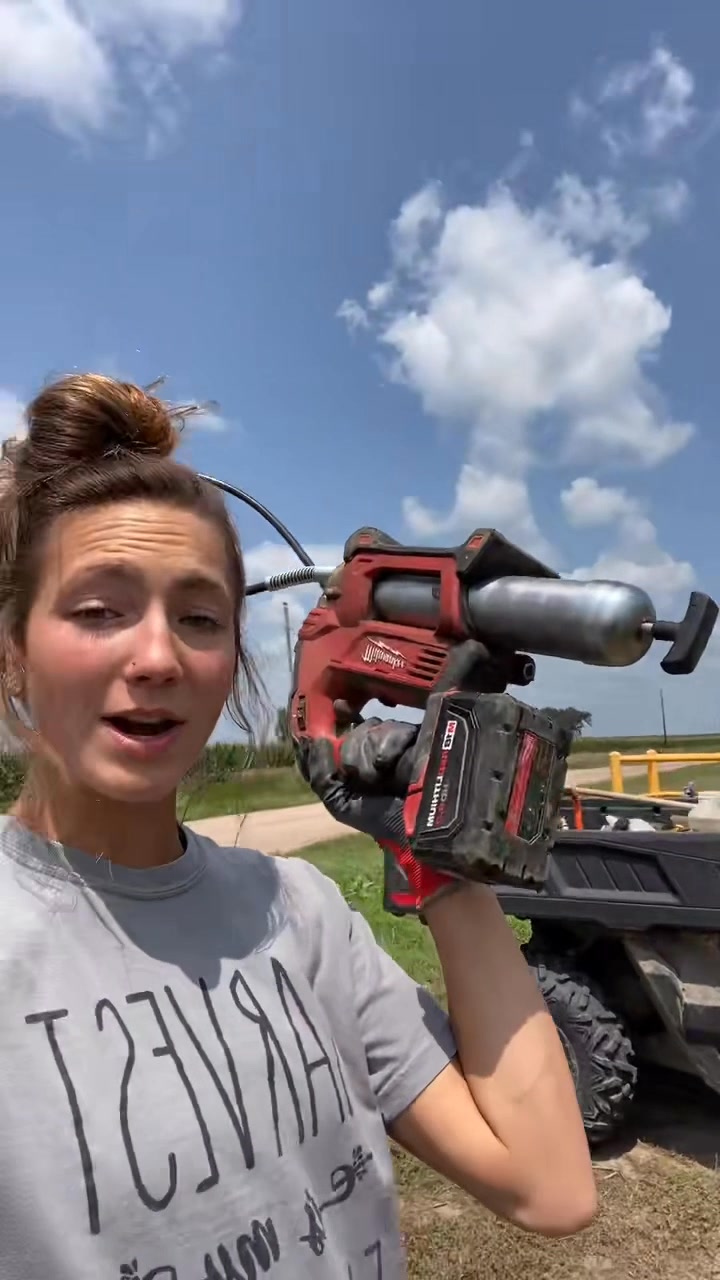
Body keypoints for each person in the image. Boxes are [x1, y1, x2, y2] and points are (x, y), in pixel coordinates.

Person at [0, 374, 596, 1280]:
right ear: (13, 650)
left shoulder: (302, 913)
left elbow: (550, 1187)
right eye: (98, 610)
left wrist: (437, 856)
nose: (157, 655)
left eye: (200, 618)